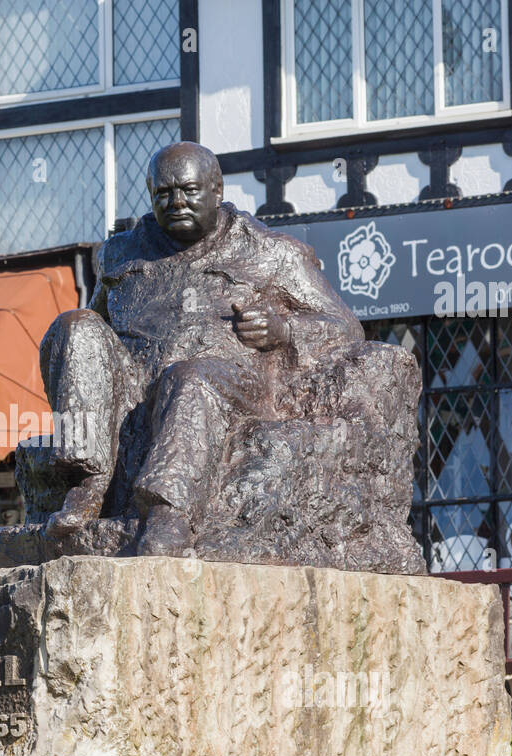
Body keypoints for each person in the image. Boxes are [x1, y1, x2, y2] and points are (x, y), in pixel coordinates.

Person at [37, 141, 365, 555]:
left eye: (189, 191)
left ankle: (168, 514)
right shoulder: (120, 253)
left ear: (217, 191)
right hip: (136, 382)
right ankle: (88, 481)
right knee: (75, 325)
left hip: (224, 380)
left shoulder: (271, 252)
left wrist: (283, 330)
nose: (176, 202)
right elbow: (94, 331)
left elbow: (344, 326)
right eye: (163, 193)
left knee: (189, 376)